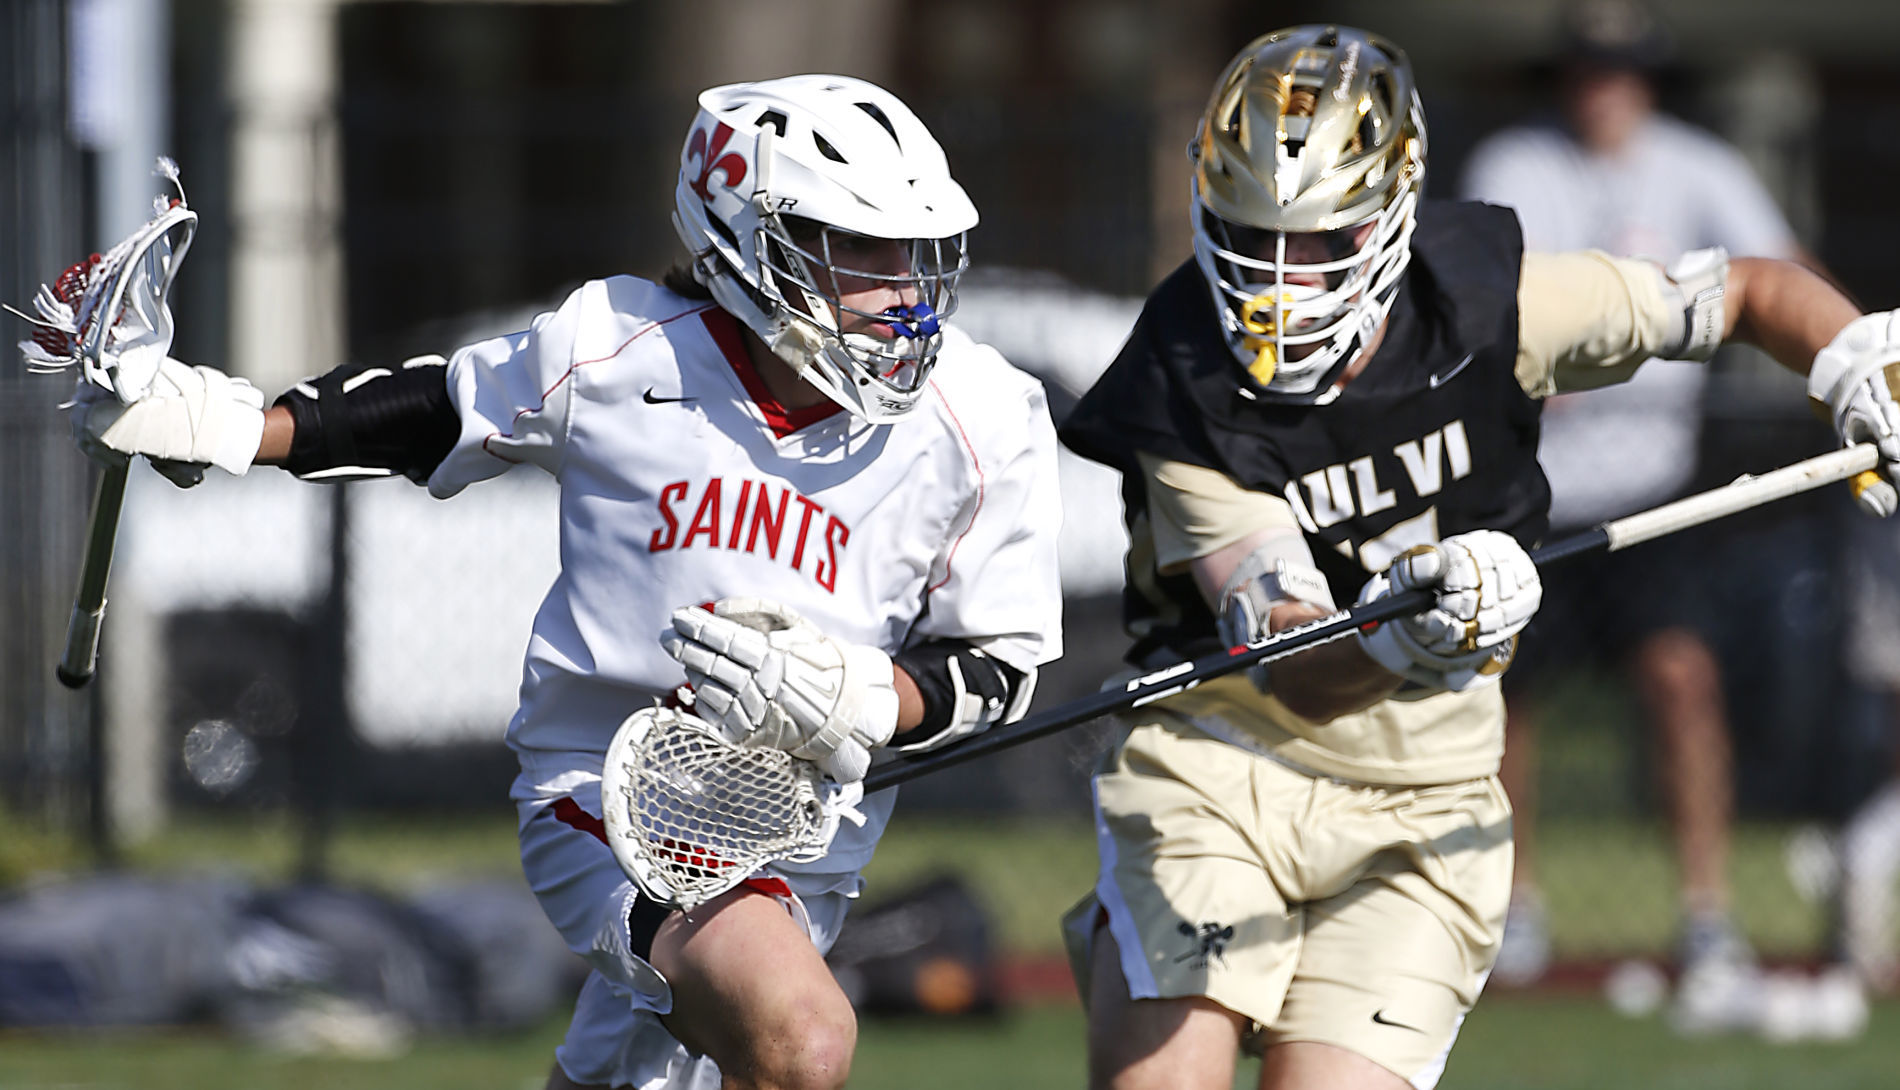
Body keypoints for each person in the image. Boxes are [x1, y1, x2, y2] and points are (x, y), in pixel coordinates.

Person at [60, 74, 1062, 1090]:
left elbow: (998, 668)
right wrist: (229, 425)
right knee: (800, 1038)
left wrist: (863, 696)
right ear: (752, 239)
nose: (905, 288)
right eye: (860, 249)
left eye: (918, 253)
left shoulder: (983, 415)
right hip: (617, 799)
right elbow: (438, 410)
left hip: (808, 832)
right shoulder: (621, 353)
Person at [1057, 24, 1900, 1090]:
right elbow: (1292, 662)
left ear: (1394, 211)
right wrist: (1408, 629)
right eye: (1250, 237)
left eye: (1318, 242)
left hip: (1425, 802)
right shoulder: (1180, 381)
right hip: (1224, 768)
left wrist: (1858, 360)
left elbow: (1745, 291)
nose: (1278, 282)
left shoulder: (1487, 297)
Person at [1457, 0, 1813, 1013]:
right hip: (1531, 496)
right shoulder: (1513, 169)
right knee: (1502, 694)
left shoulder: (1697, 167)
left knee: (1680, 676)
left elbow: (1779, 274)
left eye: (1620, 71)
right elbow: (1496, 312)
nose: (1602, 90)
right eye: (1585, 70)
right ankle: (1509, 903)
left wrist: (1852, 356)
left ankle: (1705, 909)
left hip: (1653, 501)